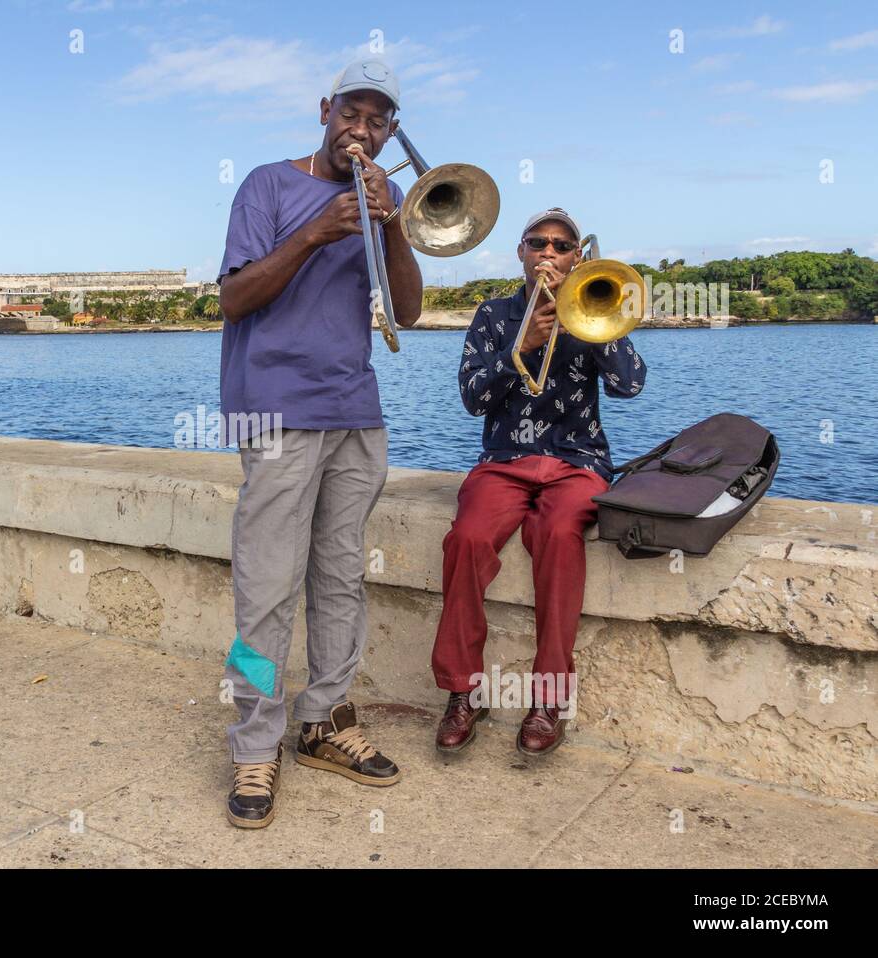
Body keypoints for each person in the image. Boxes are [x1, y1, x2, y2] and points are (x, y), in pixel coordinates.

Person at [216, 58, 423, 828]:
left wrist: (391, 221)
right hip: (273, 413)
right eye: (352, 113)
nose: (361, 130)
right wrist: (316, 231)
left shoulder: (386, 196)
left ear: (391, 131)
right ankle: (252, 746)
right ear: (325, 108)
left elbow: (405, 309)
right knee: (264, 591)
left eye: (378, 120)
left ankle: (325, 723)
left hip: (355, 413)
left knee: (340, 579)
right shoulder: (268, 185)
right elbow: (235, 298)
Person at [432, 208, 646, 757]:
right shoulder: (493, 315)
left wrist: (592, 314)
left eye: (561, 245)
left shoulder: (593, 303)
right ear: (521, 253)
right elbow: (472, 398)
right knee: (467, 539)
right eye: (537, 243)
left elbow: (631, 385)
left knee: (557, 539)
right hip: (504, 460)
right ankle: (463, 691)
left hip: (577, 462)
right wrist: (519, 348)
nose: (548, 253)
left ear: (577, 255)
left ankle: (547, 700)